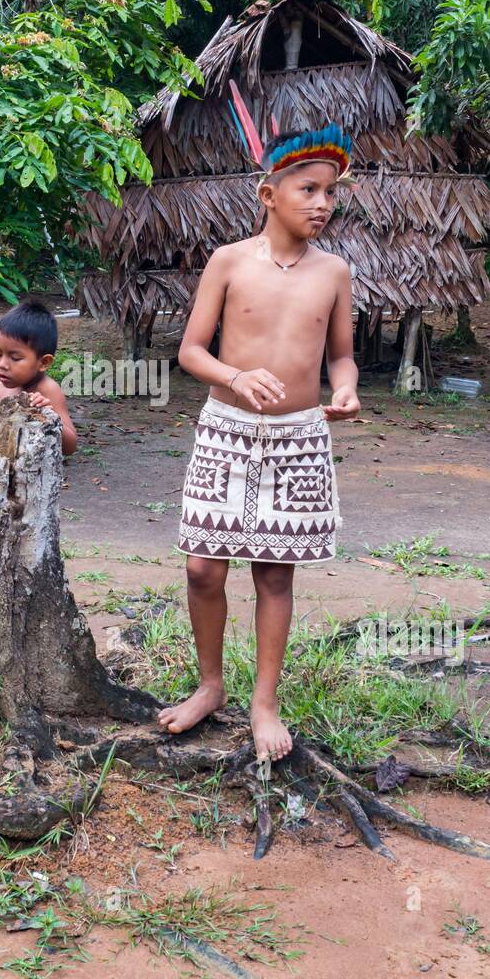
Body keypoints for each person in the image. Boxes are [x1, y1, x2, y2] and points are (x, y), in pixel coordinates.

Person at [163, 122, 361, 762]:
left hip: (299, 438)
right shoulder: (229, 262)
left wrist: (346, 391)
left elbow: (343, 358)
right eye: (309, 189)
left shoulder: (334, 273)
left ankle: (264, 702)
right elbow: (192, 351)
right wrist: (236, 376)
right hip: (225, 428)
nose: (323, 203)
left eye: (330, 193)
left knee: (275, 575)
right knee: (202, 568)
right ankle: (212, 685)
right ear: (267, 193)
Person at [0, 299, 77, 455]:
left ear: (44, 362)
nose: (2, 364)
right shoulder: (2, 388)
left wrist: (49, 416)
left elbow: (71, 447)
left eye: (15, 358)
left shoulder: (47, 390)